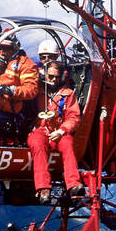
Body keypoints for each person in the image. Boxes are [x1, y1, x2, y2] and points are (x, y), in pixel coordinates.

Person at [28, 56, 84, 204]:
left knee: (67, 144)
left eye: (56, 77)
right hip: (40, 130)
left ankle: (74, 185)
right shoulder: (36, 91)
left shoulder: (68, 94)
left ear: (62, 77)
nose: (53, 80)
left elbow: (74, 117)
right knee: (37, 144)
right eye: (50, 76)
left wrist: (61, 131)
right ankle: (43, 188)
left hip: (58, 131)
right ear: (44, 75)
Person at [0, 35, 38, 127]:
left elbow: (31, 89)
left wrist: (12, 90)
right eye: (0, 48)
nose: (2, 52)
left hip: (11, 109)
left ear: (15, 48)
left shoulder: (26, 65)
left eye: (6, 48)